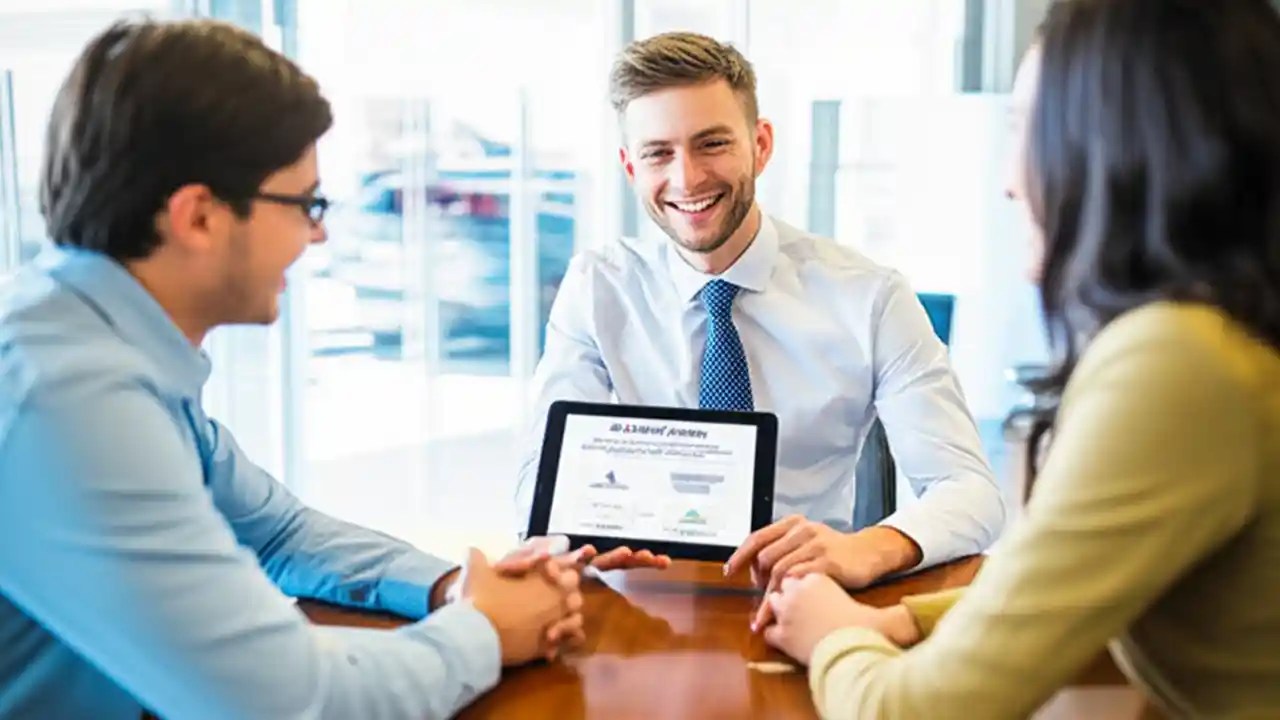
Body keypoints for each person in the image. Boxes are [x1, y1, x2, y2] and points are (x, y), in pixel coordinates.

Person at [0, 19, 583, 720]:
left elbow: (279, 534)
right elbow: (291, 703)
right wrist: (486, 630)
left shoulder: (101, 340)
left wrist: (461, 587)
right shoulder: (65, 398)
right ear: (200, 217)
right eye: (305, 203)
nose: (320, 233)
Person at [760, 0, 1280, 717]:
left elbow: (919, 712)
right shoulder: (1228, 337)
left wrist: (831, 638)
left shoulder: (1179, 361)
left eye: (1024, 130)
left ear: (1107, 145)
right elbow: (1081, 587)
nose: (1009, 180)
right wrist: (905, 621)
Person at [515, 32, 1006, 597]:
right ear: (630, 167)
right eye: (658, 153)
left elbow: (969, 491)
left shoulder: (869, 298)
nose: (687, 178)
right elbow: (540, 487)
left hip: (804, 599)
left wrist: (862, 548)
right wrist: (567, 537)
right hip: (641, 606)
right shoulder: (597, 290)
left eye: (712, 144)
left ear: (761, 144)